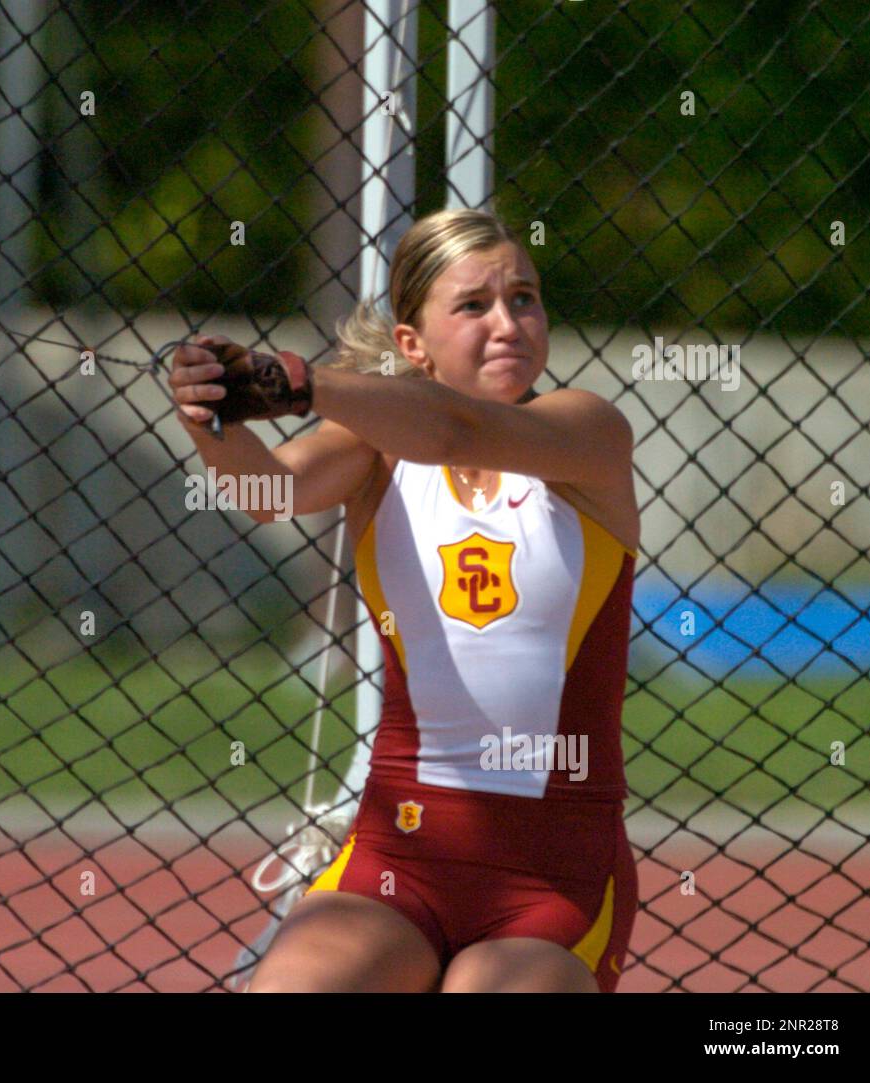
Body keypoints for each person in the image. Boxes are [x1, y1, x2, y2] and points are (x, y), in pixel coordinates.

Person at [170, 208, 640, 993]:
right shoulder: (374, 447)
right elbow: (268, 491)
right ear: (412, 345)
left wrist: (304, 382)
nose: (509, 323)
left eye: (524, 297)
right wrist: (208, 412)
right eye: (474, 305)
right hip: (399, 858)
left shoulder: (586, 430)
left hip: (552, 879)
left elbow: (452, 430)